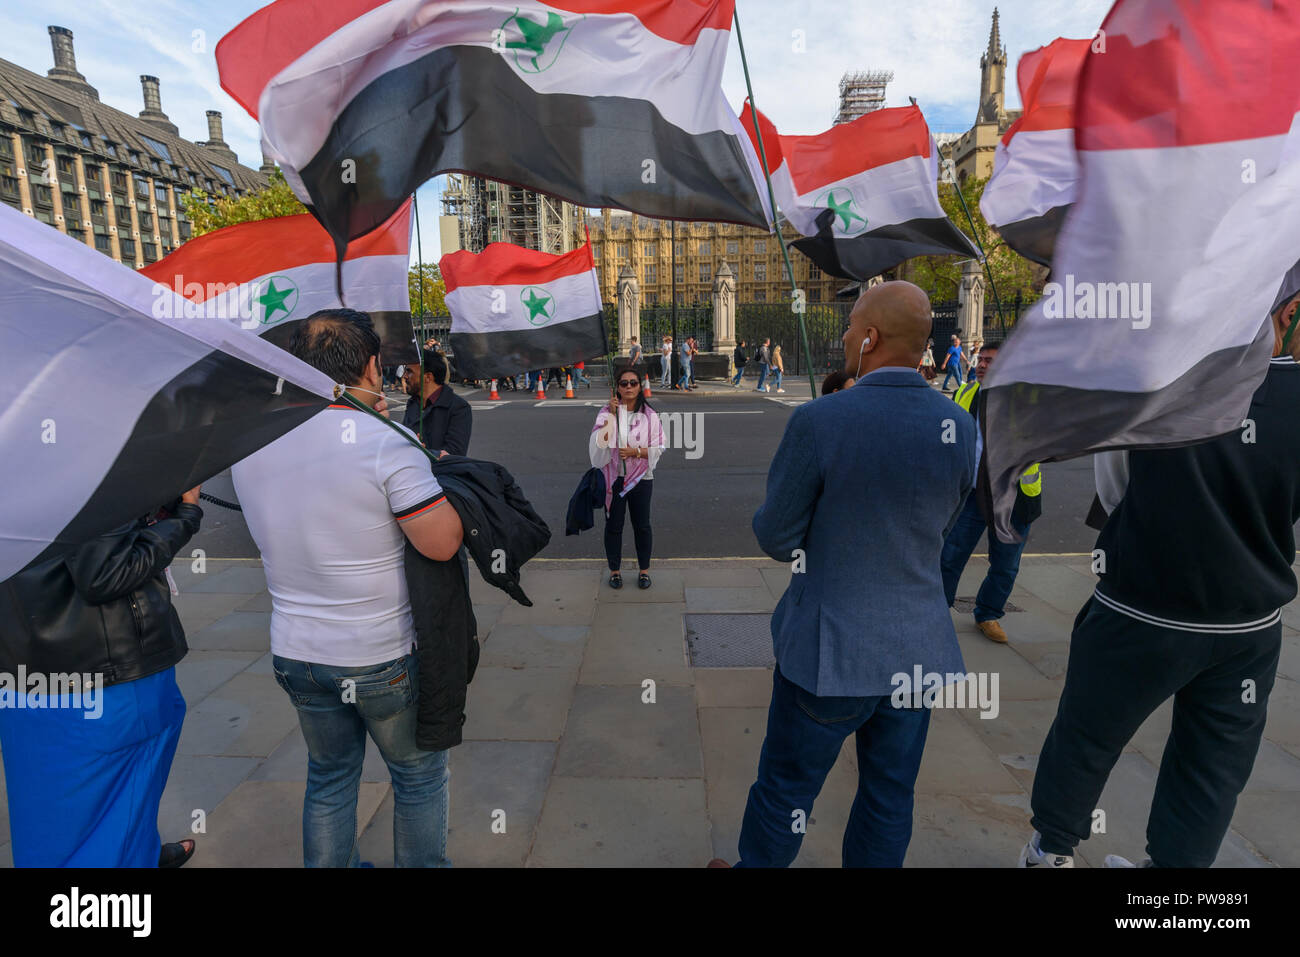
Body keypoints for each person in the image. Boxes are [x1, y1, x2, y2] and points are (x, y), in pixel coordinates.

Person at [1018, 286, 1300, 870]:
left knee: (1089, 734)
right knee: (1213, 762)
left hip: (1142, 605)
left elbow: (1114, 486)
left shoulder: (1157, 379)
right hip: (1248, 620)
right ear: (1284, 316)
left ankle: (1051, 852)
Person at [716, 281, 976, 868]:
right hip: (916, 647)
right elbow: (946, 525)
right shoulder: (959, 427)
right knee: (889, 796)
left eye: (851, 323)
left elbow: (777, 538)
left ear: (872, 338)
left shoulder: (820, 420)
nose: (843, 333)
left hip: (830, 650)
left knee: (786, 791)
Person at [232, 308, 465, 868]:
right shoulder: (386, 443)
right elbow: (442, 542)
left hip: (297, 652)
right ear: (371, 366)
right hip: (377, 654)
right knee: (416, 776)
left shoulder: (252, 445)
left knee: (330, 778)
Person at [0, 490, 205, 867]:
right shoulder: (84, 459)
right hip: (106, 671)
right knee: (121, 791)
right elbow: (105, 573)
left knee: (51, 807)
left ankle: (137, 850)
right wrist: (185, 516)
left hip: (26, 668)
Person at [939, 341, 1042, 643]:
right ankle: (936, 612)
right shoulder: (965, 392)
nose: (982, 365)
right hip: (971, 492)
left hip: (1014, 498)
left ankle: (988, 614)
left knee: (1006, 564)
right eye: (980, 359)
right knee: (950, 556)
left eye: (991, 361)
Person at [590, 365, 665, 590]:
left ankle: (644, 571)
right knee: (614, 525)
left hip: (642, 479)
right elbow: (598, 444)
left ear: (640, 386)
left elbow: (659, 446)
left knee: (642, 526)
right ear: (617, 388)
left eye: (633, 383)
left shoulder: (649, 415)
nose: (629, 387)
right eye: (624, 383)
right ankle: (614, 571)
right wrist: (611, 417)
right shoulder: (606, 412)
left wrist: (636, 452)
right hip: (614, 479)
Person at [401, 349, 472, 457]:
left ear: (428, 377)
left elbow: (455, 453)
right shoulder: (413, 403)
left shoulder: (458, 407)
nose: (404, 376)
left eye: (409, 371)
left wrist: (423, 452)